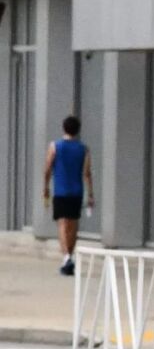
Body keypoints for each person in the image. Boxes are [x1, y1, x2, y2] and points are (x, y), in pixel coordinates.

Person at [42, 116, 93, 276]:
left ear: (64, 128)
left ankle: (66, 257)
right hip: (77, 192)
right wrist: (91, 194)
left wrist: (46, 187)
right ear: (78, 130)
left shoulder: (55, 146)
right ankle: (70, 256)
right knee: (73, 225)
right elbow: (86, 173)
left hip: (61, 191)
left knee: (62, 224)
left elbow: (48, 168)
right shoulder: (84, 149)